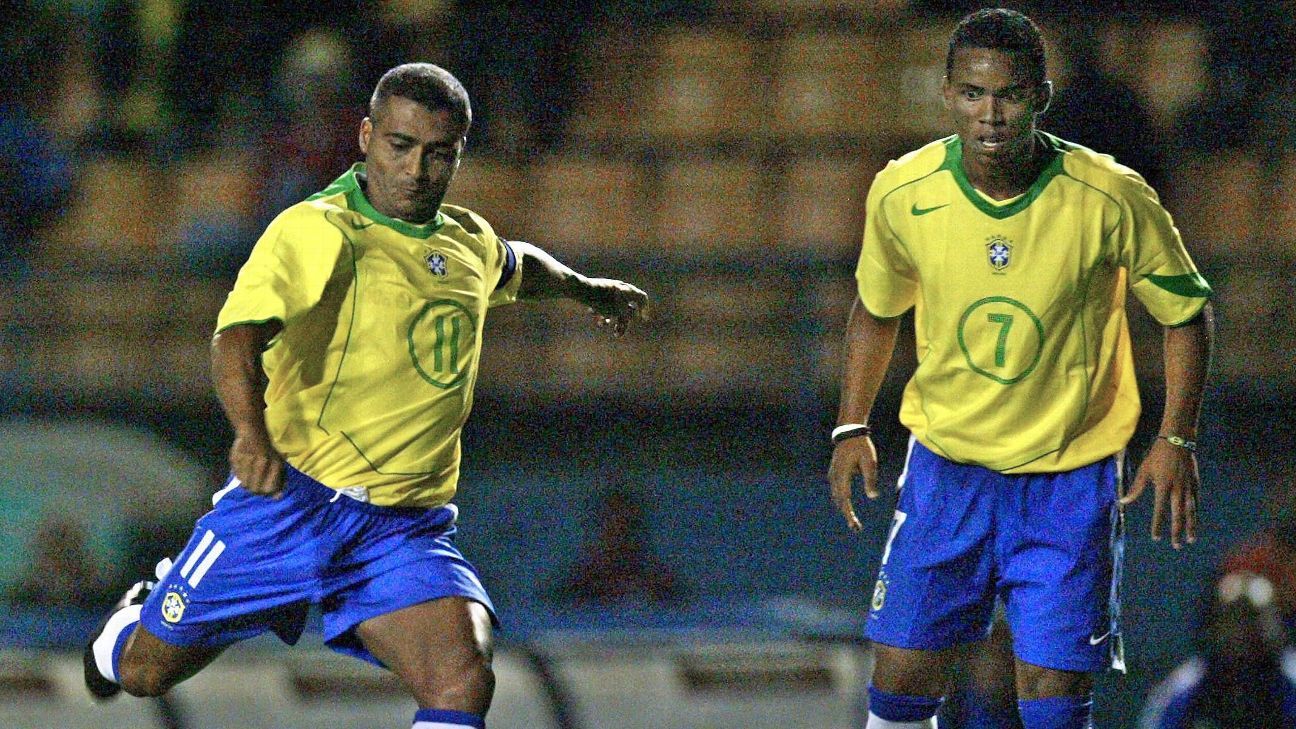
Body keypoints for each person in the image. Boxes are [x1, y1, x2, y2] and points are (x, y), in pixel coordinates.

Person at [82, 62, 648, 729]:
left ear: (458, 155)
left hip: (401, 528)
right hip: (289, 504)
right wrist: (248, 431)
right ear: (365, 136)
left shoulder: (465, 242)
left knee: (462, 678)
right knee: (148, 670)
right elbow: (235, 337)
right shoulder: (318, 230)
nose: (415, 170)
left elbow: (519, 265)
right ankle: (122, 630)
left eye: (438, 154)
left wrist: (591, 290)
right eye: (399, 146)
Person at [826, 9, 1214, 729]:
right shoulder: (903, 192)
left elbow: (1185, 313)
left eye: (1008, 94)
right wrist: (852, 422)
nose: (991, 114)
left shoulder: (1110, 196)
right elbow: (877, 310)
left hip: (1068, 481)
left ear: (1041, 93)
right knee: (901, 679)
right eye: (973, 93)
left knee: (1053, 699)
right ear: (947, 94)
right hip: (948, 470)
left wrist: (1175, 438)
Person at [1138, 572, 1296, 728]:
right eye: (1234, 620)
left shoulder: (1289, 682)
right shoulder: (1187, 688)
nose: (1243, 632)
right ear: (1216, 625)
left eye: (1253, 619)